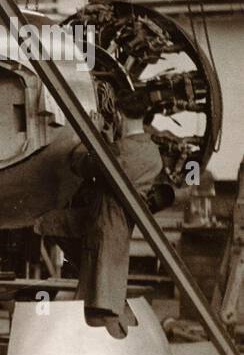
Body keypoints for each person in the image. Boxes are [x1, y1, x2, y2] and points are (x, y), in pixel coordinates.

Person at [35, 92, 164, 339]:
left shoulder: (118, 151)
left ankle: (112, 338)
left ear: (117, 115)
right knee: (53, 225)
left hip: (104, 221)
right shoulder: (153, 155)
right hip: (120, 223)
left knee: (100, 299)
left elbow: (80, 164)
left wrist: (91, 135)